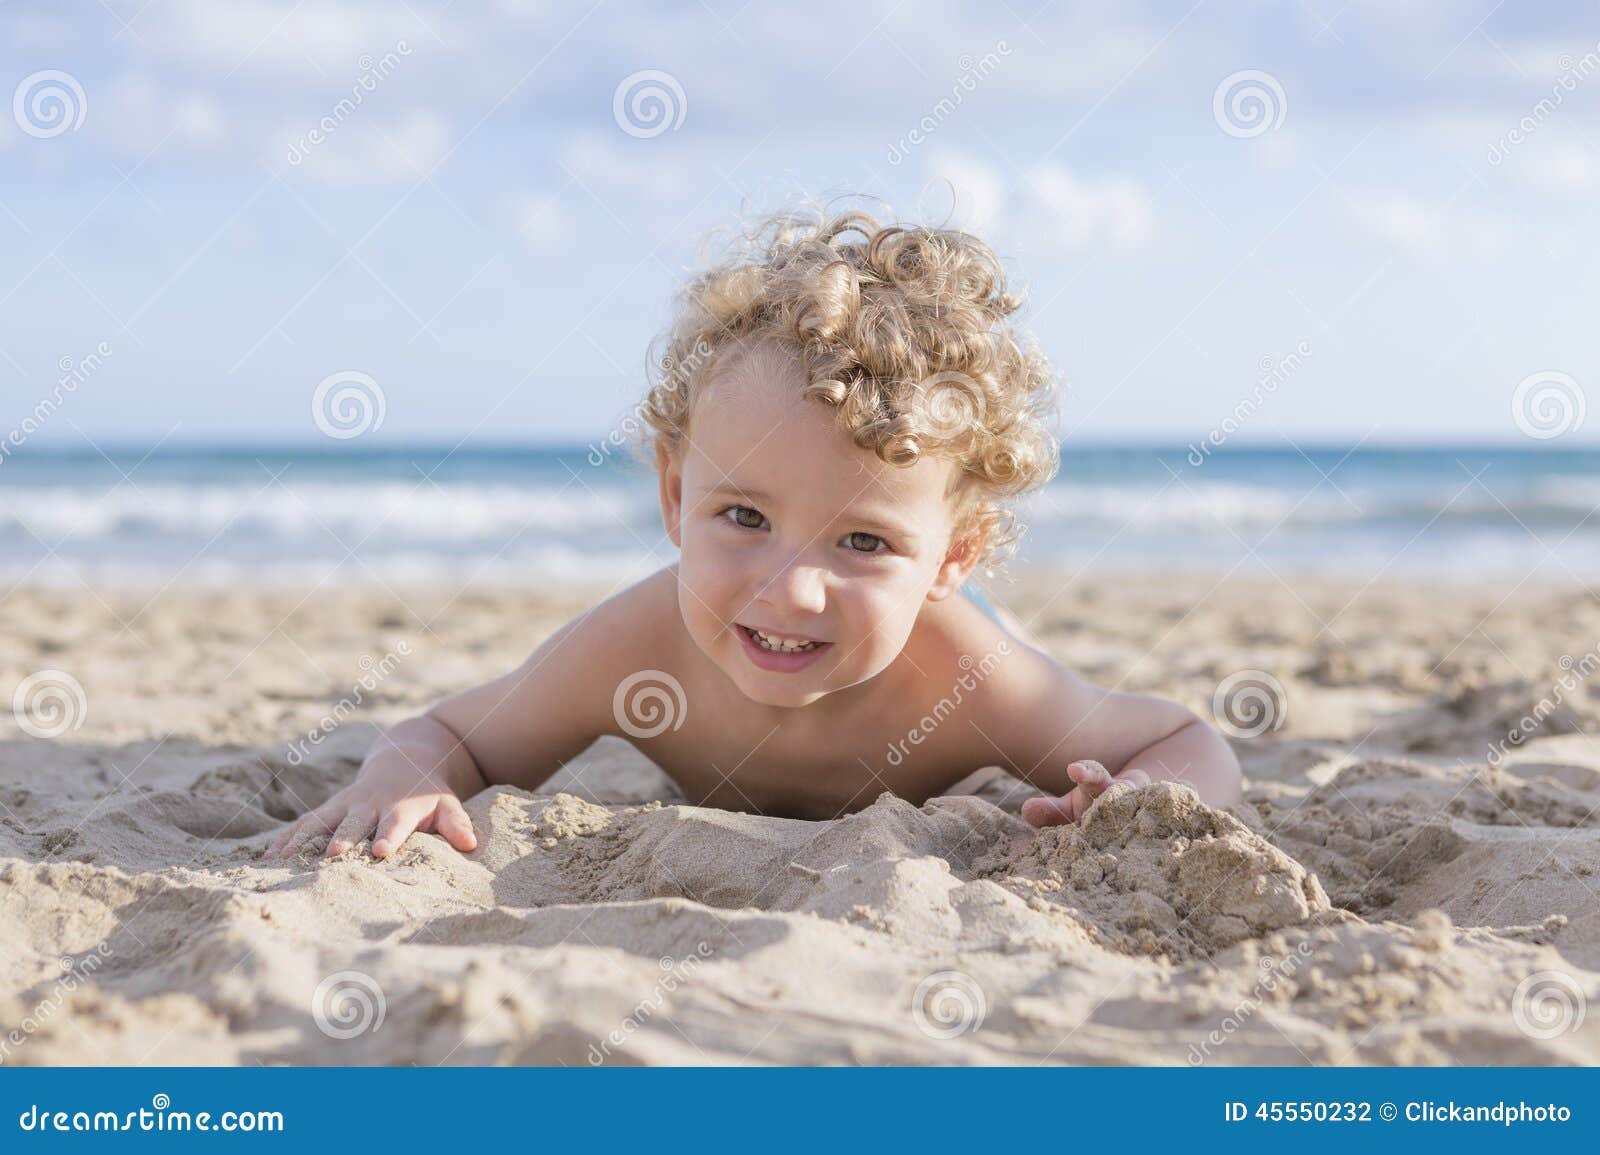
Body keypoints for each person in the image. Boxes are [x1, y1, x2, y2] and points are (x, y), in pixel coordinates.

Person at [268, 203, 1241, 861]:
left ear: (952, 554)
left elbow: (1180, 735)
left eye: (863, 540)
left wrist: (1127, 803)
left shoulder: (970, 679)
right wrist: (404, 779)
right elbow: (443, 733)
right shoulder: (635, 647)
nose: (789, 588)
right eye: (742, 516)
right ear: (673, 491)